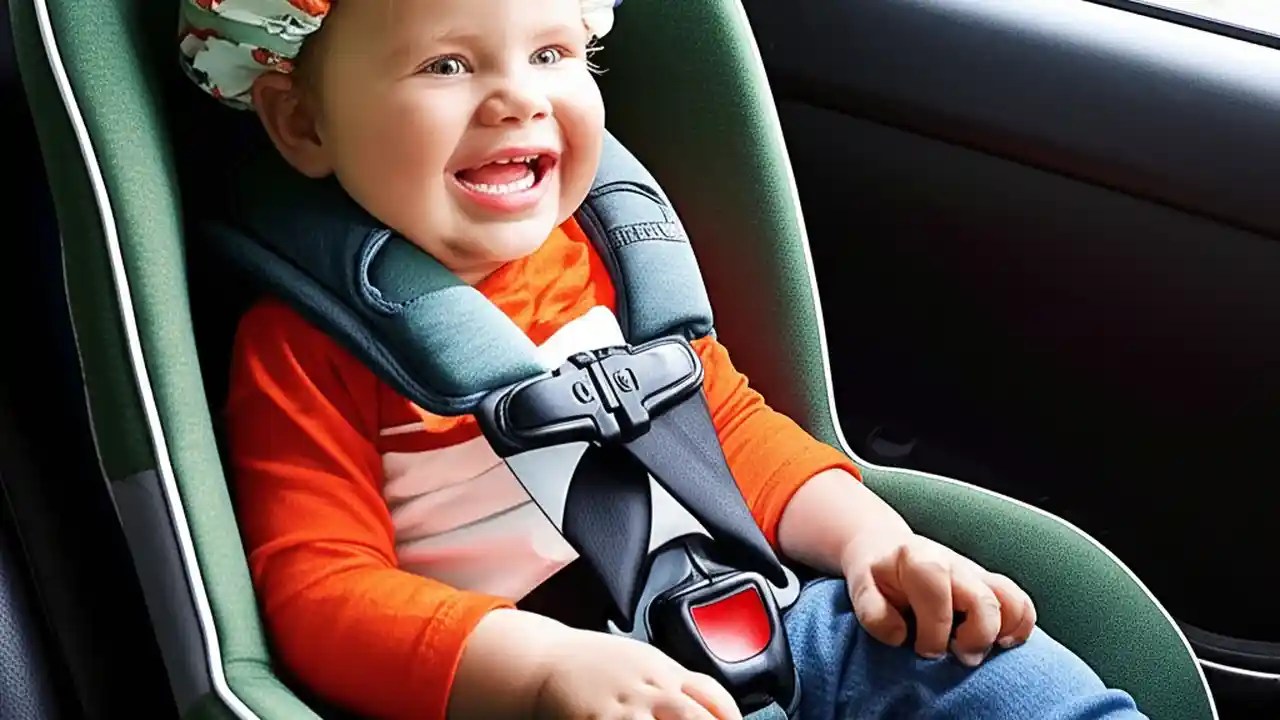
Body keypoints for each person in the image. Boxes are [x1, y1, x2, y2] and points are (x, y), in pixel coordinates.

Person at [179, 0, 1149, 718]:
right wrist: (539, 672)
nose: (518, 96)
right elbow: (319, 589)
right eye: (444, 65)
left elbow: (729, 432)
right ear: (303, 123)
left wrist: (869, 542)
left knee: (995, 677)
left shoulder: (616, 262)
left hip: (770, 617)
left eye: (554, 51)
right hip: (545, 682)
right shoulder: (305, 343)